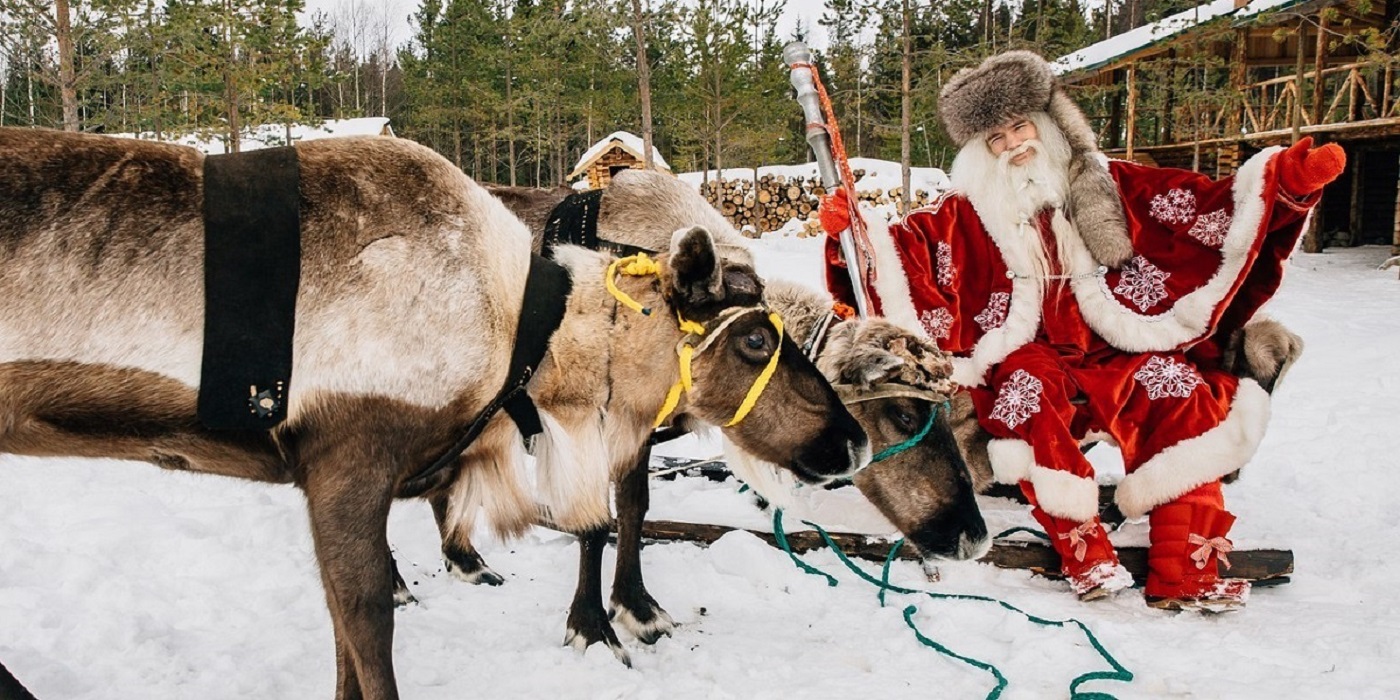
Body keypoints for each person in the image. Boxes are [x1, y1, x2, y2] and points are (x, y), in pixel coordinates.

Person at [818, 50, 1344, 611]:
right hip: (1030, 352)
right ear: (980, 152)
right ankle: (1084, 554)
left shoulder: (1109, 184)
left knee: (1179, 391)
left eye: (1020, 126)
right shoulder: (966, 212)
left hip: (1117, 344)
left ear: (1044, 124)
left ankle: (1187, 566)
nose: (1013, 143)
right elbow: (907, 253)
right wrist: (854, 232)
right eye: (995, 138)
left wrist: (1285, 181)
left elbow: (1196, 207)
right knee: (1026, 397)